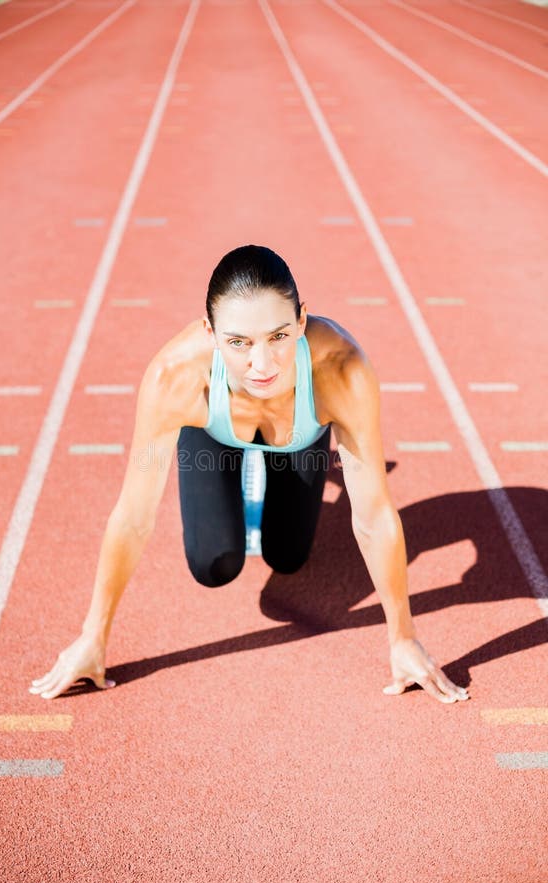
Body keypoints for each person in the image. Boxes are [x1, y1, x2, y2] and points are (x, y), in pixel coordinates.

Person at [29, 245, 469, 704]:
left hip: (297, 434)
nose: (262, 365)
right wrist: (93, 636)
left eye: (278, 336)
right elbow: (133, 515)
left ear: (302, 321)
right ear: (210, 333)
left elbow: (374, 515)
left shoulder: (341, 371)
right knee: (214, 565)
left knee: (288, 555)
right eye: (239, 342)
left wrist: (403, 639)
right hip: (214, 434)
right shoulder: (174, 379)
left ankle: (298, 458)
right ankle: (232, 456)